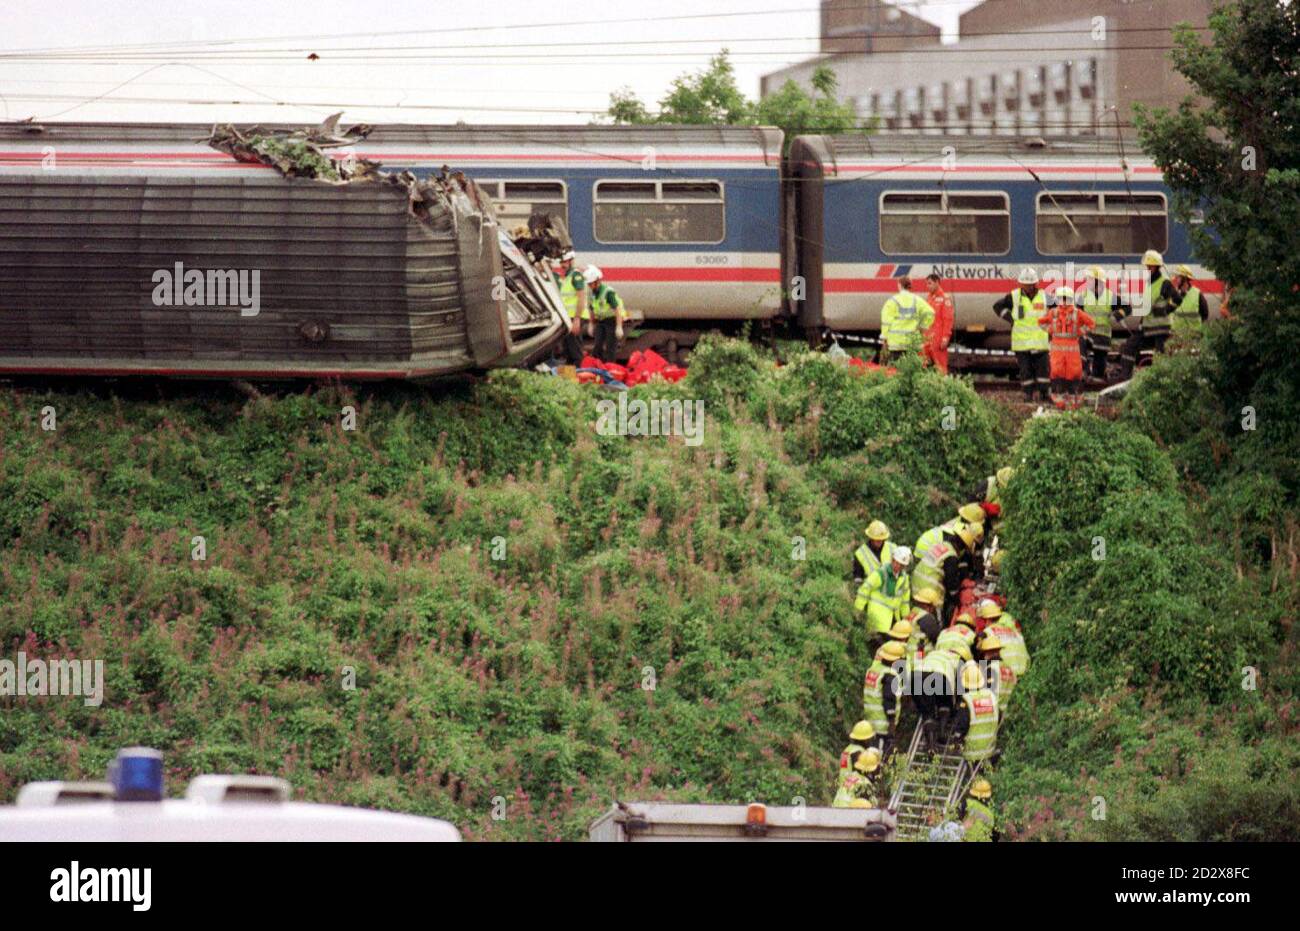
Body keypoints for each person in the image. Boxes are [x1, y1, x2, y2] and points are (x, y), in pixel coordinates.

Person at [1118, 250, 1178, 378]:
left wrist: (1165, 311)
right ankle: (1125, 377)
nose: (1147, 269)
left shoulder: (1164, 283)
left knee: (1160, 356)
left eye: (1149, 266)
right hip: (1148, 328)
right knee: (1129, 346)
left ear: (1157, 267)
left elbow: (1177, 299)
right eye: (1147, 267)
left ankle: (1162, 381)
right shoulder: (1149, 283)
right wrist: (1140, 323)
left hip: (1161, 329)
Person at [993, 268, 1049, 402]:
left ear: (1036, 283)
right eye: (1025, 284)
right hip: (1022, 342)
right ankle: (1028, 395)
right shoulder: (1013, 296)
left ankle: (1044, 394)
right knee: (1025, 371)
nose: (1028, 286)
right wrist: (1010, 319)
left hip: (1040, 341)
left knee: (1043, 371)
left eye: (1030, 284)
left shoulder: (1045, 296)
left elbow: (1056, 310)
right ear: (1020, 284)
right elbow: (997, 307)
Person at [1039, 285, 1095, 410]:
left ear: (1071, 300)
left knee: (1074, 373)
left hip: (1072, 349)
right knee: (1056, 372)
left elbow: (1091, 323)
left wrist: (1081, 332)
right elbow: (1041, 322)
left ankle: (1074, 401)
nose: (1064, 303)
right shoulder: (1053, 313)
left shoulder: (1077, 313)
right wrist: (1050, 330)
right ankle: (1060, 401)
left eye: (1067, 299)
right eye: (1061, 299)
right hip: (1057, 350)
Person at [855, 545, 912, 652]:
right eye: (897, 562)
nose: (898, 566)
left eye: (902, 565)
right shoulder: (881, 574)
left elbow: (905, 601)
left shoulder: (904, 578)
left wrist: (905, 619)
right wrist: (858, 610)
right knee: (879, 648)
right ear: (892, 560)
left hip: (892, 618)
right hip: (877, 618)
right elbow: (864, 590)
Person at [1079, 266, 1127, 380]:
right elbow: (1077, 312)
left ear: (1097, 282)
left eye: (1090, 279)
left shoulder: (1110, 296)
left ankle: (1096, 377)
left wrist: (1118, 315)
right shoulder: (1084, 295)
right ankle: (1084, 371)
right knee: (1079, 342)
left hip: (1103, 337)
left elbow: (1127, 307)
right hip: (1088, 335)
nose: (1087, 282)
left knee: (1098, 374)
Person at [862, 641, 907, 757]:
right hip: (883, 724)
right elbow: (889, 699)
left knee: (869, 753)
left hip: (869, 720)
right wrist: (891, 722)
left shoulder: (873, 669)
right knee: (879, 755)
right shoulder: (890, 675)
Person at [880, 278, 935, 363]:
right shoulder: (917, 300)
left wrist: (884, 338)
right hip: (912, 343)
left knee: (896, 371)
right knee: (911, 371)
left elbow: (886, 322)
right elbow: (930, 312)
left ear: (899, 285)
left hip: (896, 344)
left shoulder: (892, 301)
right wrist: (923, 326)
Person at [953, 661, 999, 764]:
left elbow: (962, 724)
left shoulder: (967, 700)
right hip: (989, 748)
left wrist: (956, 739)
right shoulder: (991, 696)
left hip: (972, 752)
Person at [832, 722, 882, 808]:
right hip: (854, 793)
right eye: (870, 739)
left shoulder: (846, 750)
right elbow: (862, 772)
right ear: (865, 739)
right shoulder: (859, 753)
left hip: (844, 787)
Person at [551, 251, 588, 364]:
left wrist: (577, 319)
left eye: (565, 262)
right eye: (561, 262)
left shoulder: (575, 275)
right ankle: (571, 377)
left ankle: (579, 376)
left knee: (575, 350)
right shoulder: (566, 277)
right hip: (568, 318)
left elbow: (581, 297)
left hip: (575, 317)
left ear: (571, 261)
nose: (562, 265)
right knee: (568, 350)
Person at [583, 265, 626, 362]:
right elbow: (591, 309)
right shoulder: (591, 293)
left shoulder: (608, 292)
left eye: (590, 283)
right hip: (601, 321)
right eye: (588, 284)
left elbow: (617, 309)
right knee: (597, 346)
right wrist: (591, 324)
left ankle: (610, 369)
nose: (589, 286)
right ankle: (599, 367)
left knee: (611, 347)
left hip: (612, 321)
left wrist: (619, 326)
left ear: (597, 281)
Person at [978, 600, 1029, 678]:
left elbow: (979, 652)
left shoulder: (988, 632)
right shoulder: (1014, 631)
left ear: (987, 620)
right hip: (1024, 671)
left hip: (1006, 673)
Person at [922, 272, 954, 374]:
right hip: (927, 337)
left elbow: (948, 319)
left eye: (930, 283)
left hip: (938, 337)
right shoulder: (929, 298)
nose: (927, 286)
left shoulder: (945, 298)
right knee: (922, 363)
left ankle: (942, 386)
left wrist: (945, 337)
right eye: (926, 284)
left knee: (940, 365)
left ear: (937, 283)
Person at [1170, 264, 1209, 344]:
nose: (1176, 279)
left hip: (1194, 337)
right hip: (1177, 337)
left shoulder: (1197, 294)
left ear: (1184, 279)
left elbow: (1205, 314)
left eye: (1178, 277)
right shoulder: (1174, 295)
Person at [977, 631, 1016, 708]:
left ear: (987, 653)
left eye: (984, 654)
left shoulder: (991, 669)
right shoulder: (1009, 669)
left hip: (994, 712)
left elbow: (986, 695)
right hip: (1006, 711)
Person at [853, 520, 894, 585]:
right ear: (870, 538)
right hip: (872, 591)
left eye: (881, 539)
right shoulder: (860, 553)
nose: (879, 541)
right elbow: (858, 578)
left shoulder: (893, 548)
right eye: (877, 539)